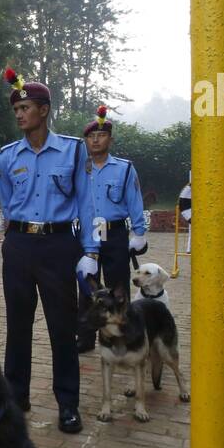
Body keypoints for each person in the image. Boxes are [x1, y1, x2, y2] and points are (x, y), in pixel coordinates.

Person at [0, 69, 98, 433]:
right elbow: (8, 203)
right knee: (17, 326)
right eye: (16, 109)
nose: (20, 115)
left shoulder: (72, 150)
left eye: (26, 107)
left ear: (44, 110)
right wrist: (15, 239)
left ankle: (68, 404)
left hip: (58, 246)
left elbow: (86, 203)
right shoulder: (7, 156)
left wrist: (90, 250)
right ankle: (15, 396)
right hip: (20, 245)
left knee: (61, 328)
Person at [77, 106, 148, 352]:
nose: (95, 140)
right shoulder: (79, 169)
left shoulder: (124, 168)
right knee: (87, 285)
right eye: (90, 136)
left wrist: (139, 232)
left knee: (118, 287)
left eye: (101, 135)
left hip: (115, 232)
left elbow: (134, 199)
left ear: (110, 139)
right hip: (87, 233)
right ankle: (85, 338)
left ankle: (122, 334)